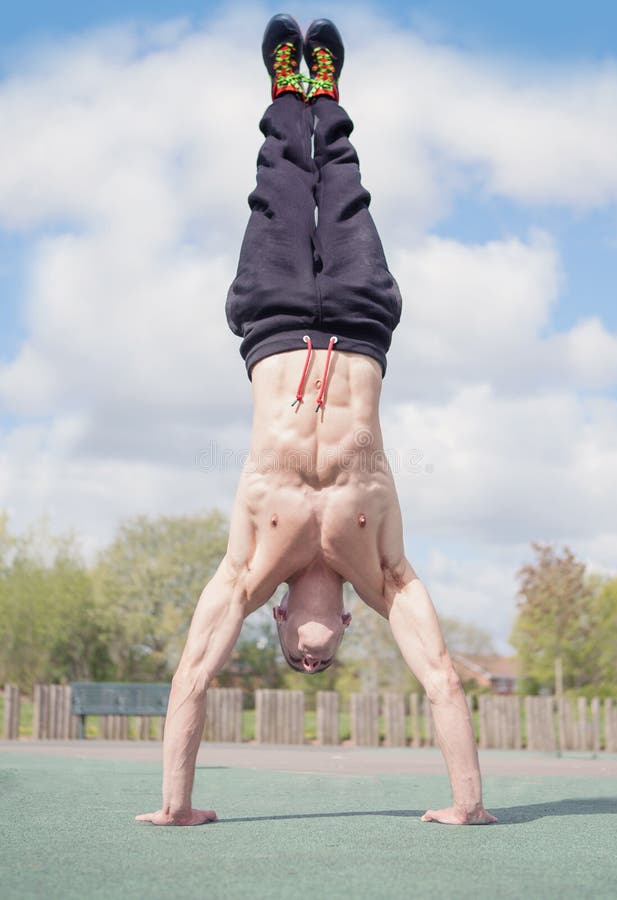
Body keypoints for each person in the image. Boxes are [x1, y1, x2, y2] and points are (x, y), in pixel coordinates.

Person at [136, 14, 496, 827]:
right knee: (340, 185)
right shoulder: (385, 575)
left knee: (277, 187)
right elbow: (438, 674)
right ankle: (323, 94)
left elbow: (192, 673)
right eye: (317, 658)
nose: (307, 654)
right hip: (362, 325)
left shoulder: (246, 569)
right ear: (340, 622)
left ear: (279, 618)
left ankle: (285, 96)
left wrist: (174, 808)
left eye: (294, 655)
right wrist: (467, 805)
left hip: (269, 323)